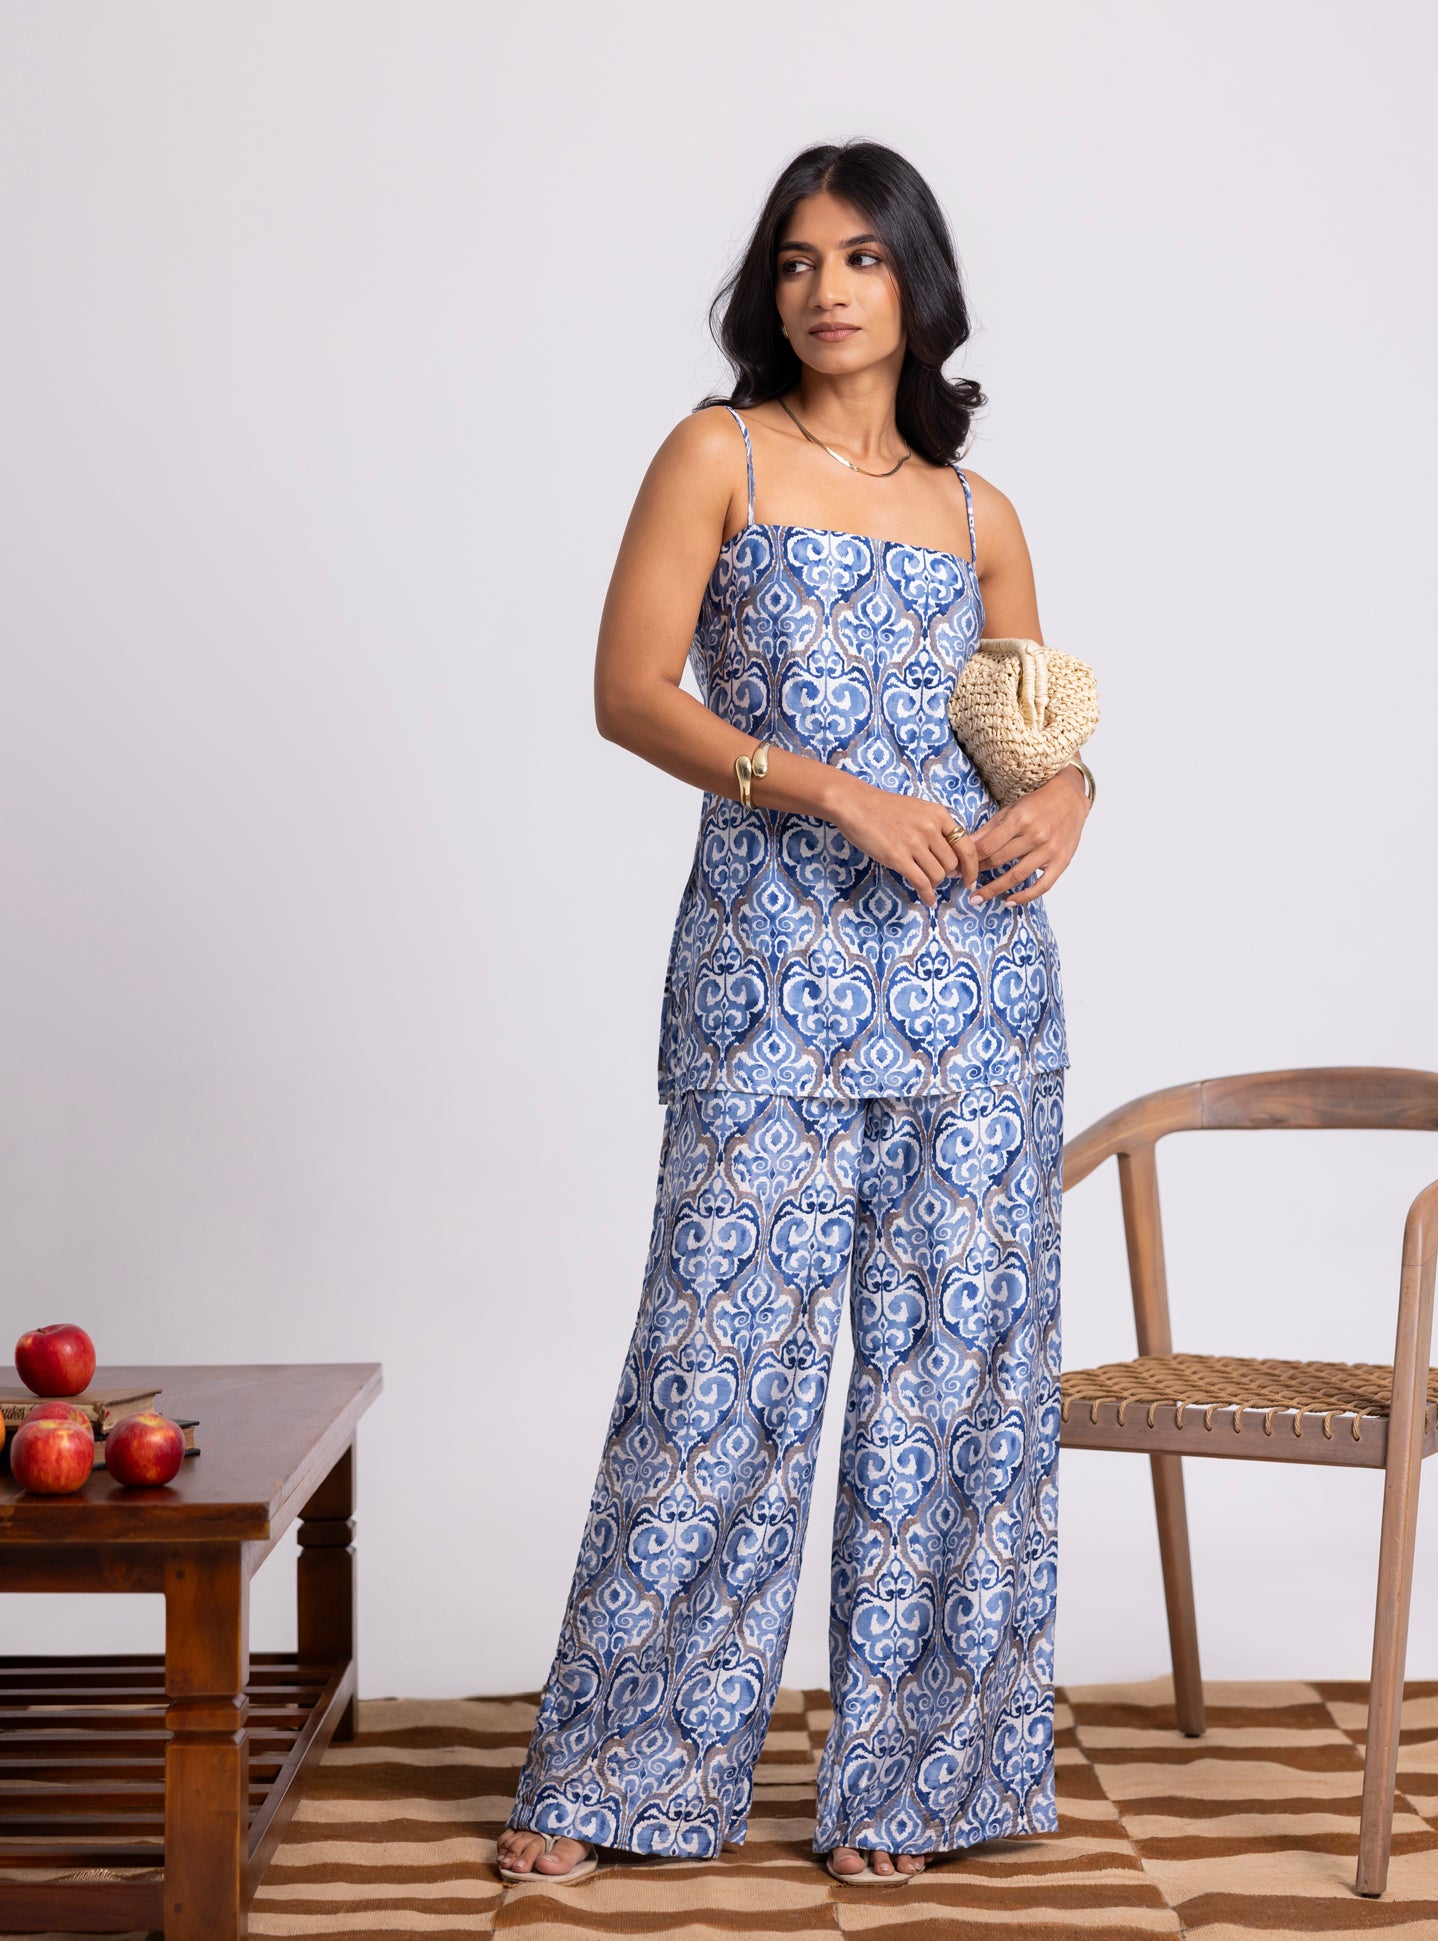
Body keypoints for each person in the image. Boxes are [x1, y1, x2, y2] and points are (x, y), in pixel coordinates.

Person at [497, 138, 1092, 1890]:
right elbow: (629, 691)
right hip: (769, 980)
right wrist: (829, 790)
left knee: (956, 1395)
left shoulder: (982, 516)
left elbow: (1034, 745)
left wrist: (1073, 799)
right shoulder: (721, 455)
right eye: (797, 261)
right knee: (716, 1378)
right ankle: (616, 1774)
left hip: (977, 997)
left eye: (862, 258)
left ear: (919, 285)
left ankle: (920, 1785)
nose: (828, 289)